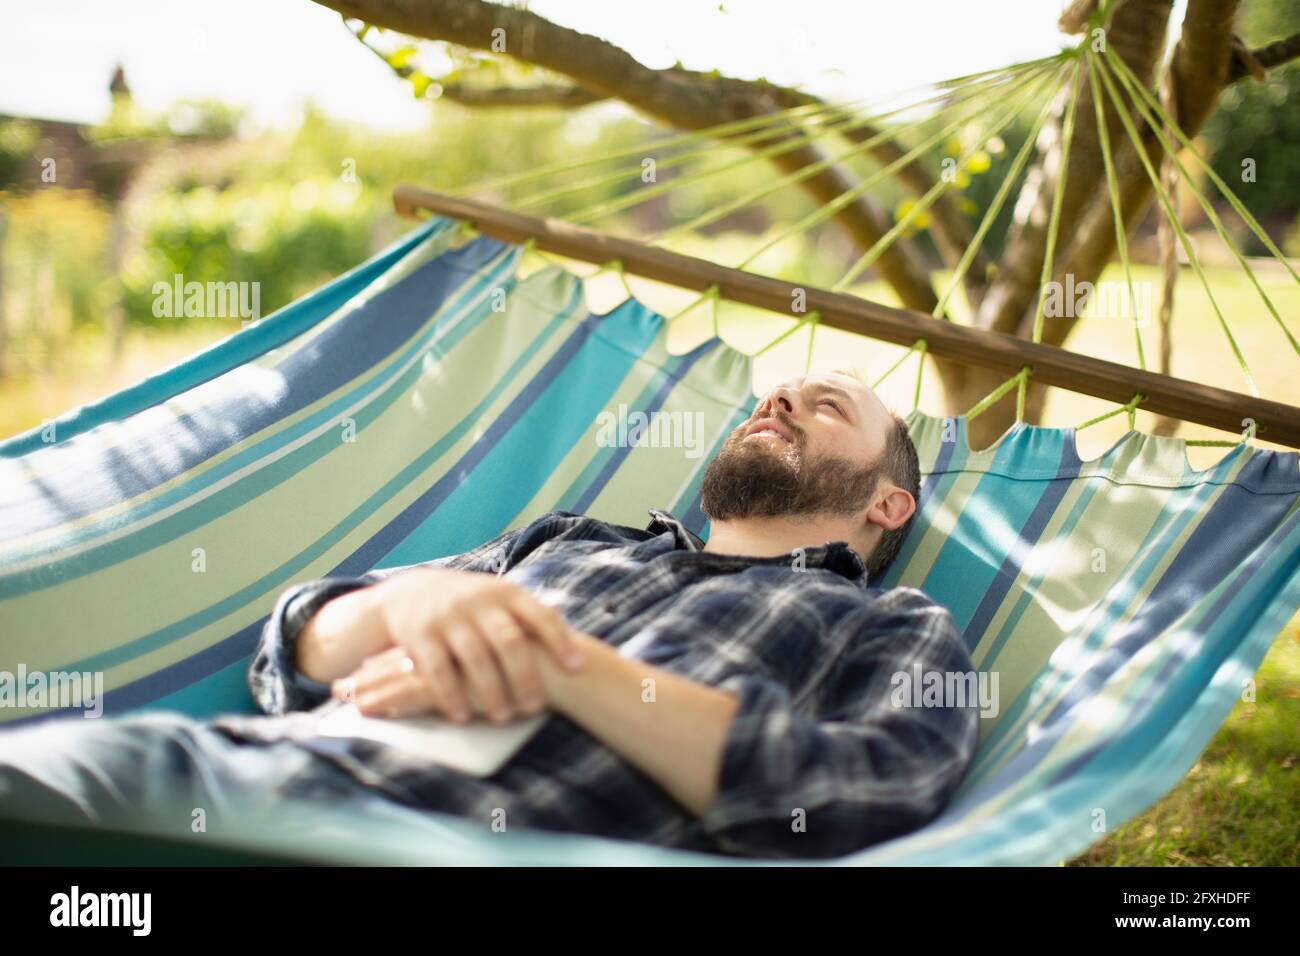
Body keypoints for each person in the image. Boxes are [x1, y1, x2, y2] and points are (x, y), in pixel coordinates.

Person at [0, 371, 979, 860]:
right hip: (230, 770)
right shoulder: (568, 538)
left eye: (822, 405)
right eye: (771, 394)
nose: (776, 402)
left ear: (886, 503)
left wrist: (569, 670)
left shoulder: (890, 622)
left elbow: (868, 790)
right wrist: (416, 599)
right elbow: (289, 647)